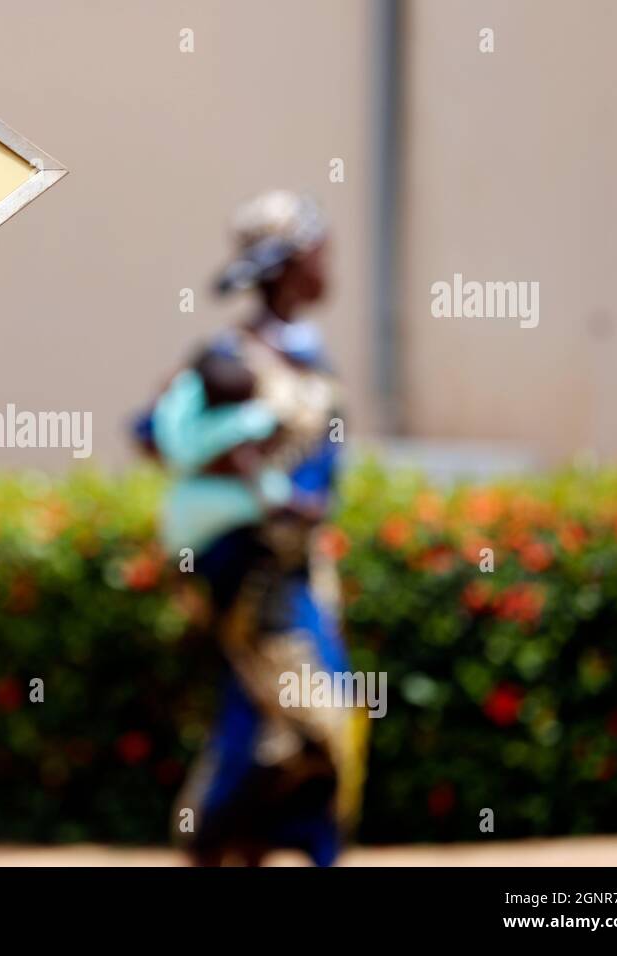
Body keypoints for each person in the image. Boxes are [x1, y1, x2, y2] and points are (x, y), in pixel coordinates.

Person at [137, 191, 366, 866]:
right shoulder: (230, 357)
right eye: (321, 253)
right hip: (250, 564)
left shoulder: (309, 357)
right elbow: (158, 435)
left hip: (301, 568)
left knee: (265, 719)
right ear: (292, 263)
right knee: (318, 718)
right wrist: (261, 489)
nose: (330, 267)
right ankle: (217, 841)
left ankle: (253, 847)